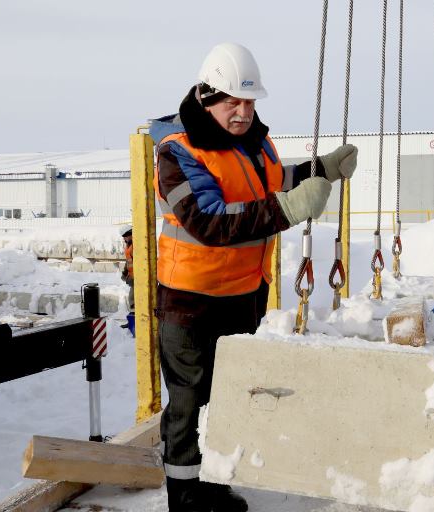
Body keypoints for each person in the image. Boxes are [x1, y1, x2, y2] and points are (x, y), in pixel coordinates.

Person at [149, 42, 358, 512]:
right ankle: (185, 497)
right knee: (188, 400)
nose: (242, 112)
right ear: (206, 97)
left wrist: (319, 169)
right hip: (190, 300)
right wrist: (289, 209)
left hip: (243, 295)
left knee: (228, 395)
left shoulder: (255, 142)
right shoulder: (176, 153)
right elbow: (208, 219)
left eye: (249, 103)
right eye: (232, 103)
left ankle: (217, 482)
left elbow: (271, 180)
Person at [119, 224, 135, 312]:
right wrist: (125, 272)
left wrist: (134, 278)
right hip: (133, 277)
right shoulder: (129, 246)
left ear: (130, 235)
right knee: (132, 299)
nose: (124, 239)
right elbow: (129, 261)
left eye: (125, 236)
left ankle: (135, 322)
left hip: (139, 279)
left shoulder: (136, 246)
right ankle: (133, 320)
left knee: (133, 299)